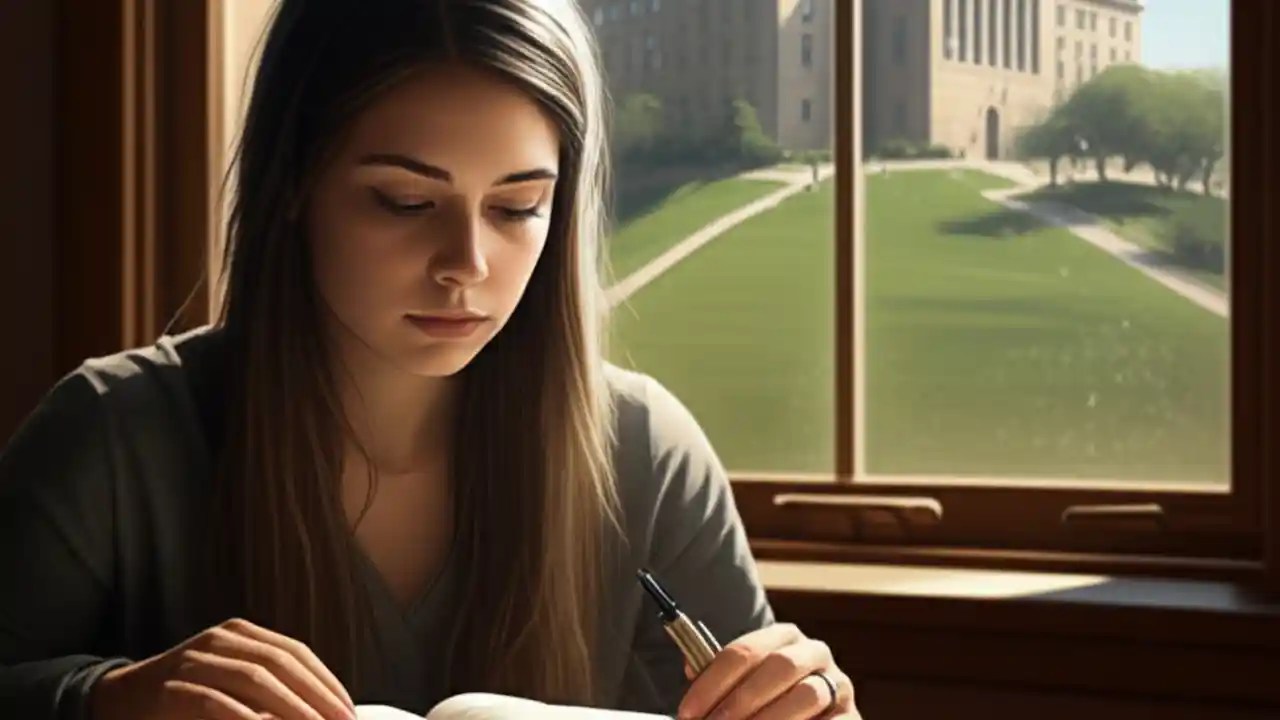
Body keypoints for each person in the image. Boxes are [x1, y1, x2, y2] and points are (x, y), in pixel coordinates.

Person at [0, 1, 859, 718]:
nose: (467, 265)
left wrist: (809, 703)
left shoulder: (646, 455)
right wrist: (102, 699)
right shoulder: (114, 435)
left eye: (519, 208)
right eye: (406, 201)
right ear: (293, 183)